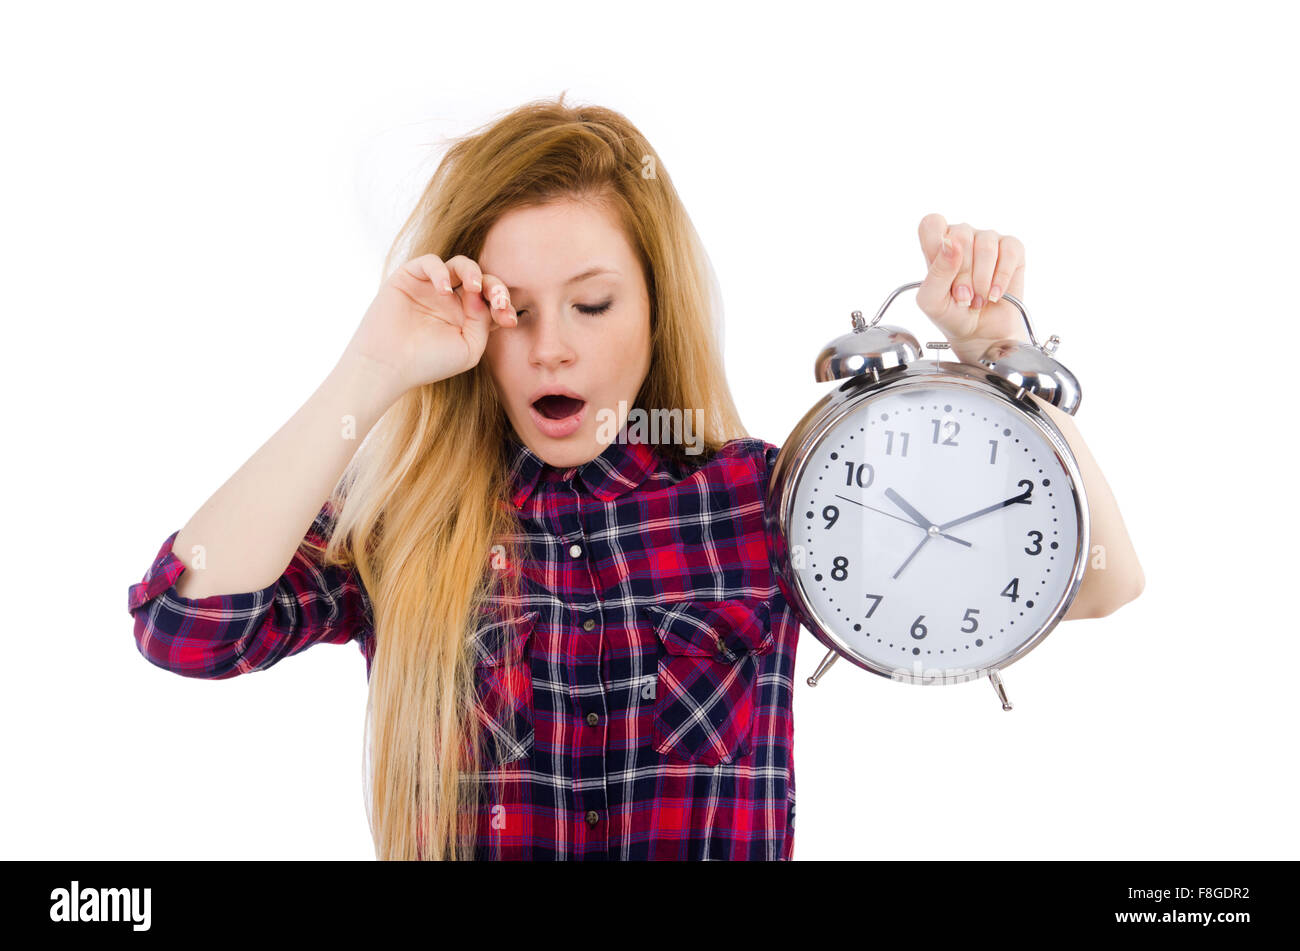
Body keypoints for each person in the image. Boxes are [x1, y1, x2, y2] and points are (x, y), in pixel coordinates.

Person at [126, 95, 1144, 861]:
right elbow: (184, 623)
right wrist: (374, 367)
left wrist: (996, 363)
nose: (552, 351)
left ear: (654, 313)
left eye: (593, 304)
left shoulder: (762, 505)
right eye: (514, 309)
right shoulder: (404, 525)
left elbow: (1098, 578)